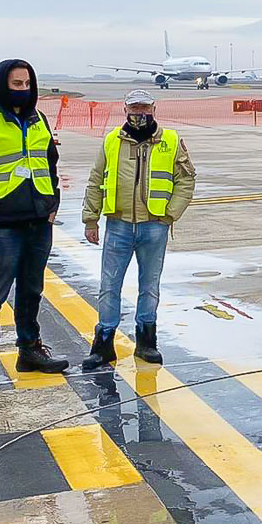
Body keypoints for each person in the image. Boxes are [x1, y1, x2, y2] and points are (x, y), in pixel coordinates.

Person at [0, 59, 70, 394]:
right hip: (1, 225)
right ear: (0, 85)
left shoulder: (39, 120)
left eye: (26, 84)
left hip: (39, 222)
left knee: (32, 290)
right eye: (16, 84)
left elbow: (49, 163)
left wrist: (53, 203)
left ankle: (30, 349)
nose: (22, 90)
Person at [81, 89, 196, 369]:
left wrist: (170, 214)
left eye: (145, 108)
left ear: (154, 110)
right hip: (118, 224)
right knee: (109, 287)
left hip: (153, 226)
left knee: (149, 286)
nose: (140, 114)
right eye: (135, 108)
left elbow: (186, 179)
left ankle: (146, 341)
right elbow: (96, 179)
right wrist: (90, 219)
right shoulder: (112, 141)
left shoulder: (170, 141)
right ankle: (104, 343)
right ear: (125, 110)